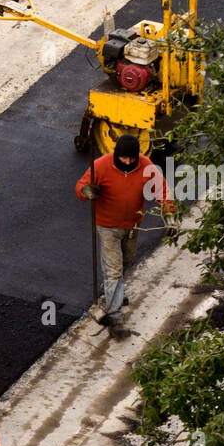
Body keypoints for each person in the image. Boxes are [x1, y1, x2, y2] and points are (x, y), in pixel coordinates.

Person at [75, 134, 173, 327]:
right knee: (113, 271)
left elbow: (162, 189)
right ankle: (115, 317)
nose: (128, 162)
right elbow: (80, 186)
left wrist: (169, 214)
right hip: (107, 227)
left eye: (131, 158)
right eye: (123, 158)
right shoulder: (102, 165)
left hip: (132, 226)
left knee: (126, 261)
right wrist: (86, 191)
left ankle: (111, 292)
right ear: (116, 155)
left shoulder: (146, 166)